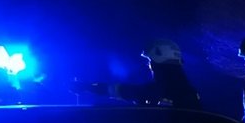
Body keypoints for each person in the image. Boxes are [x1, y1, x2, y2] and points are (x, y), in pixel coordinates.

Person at [72, 39, 201, 109]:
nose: (149, 66)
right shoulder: (186, 89)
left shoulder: (163, 89)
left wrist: (88, 87)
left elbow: (126, 91)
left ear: (158, 62)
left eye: (150, 61)